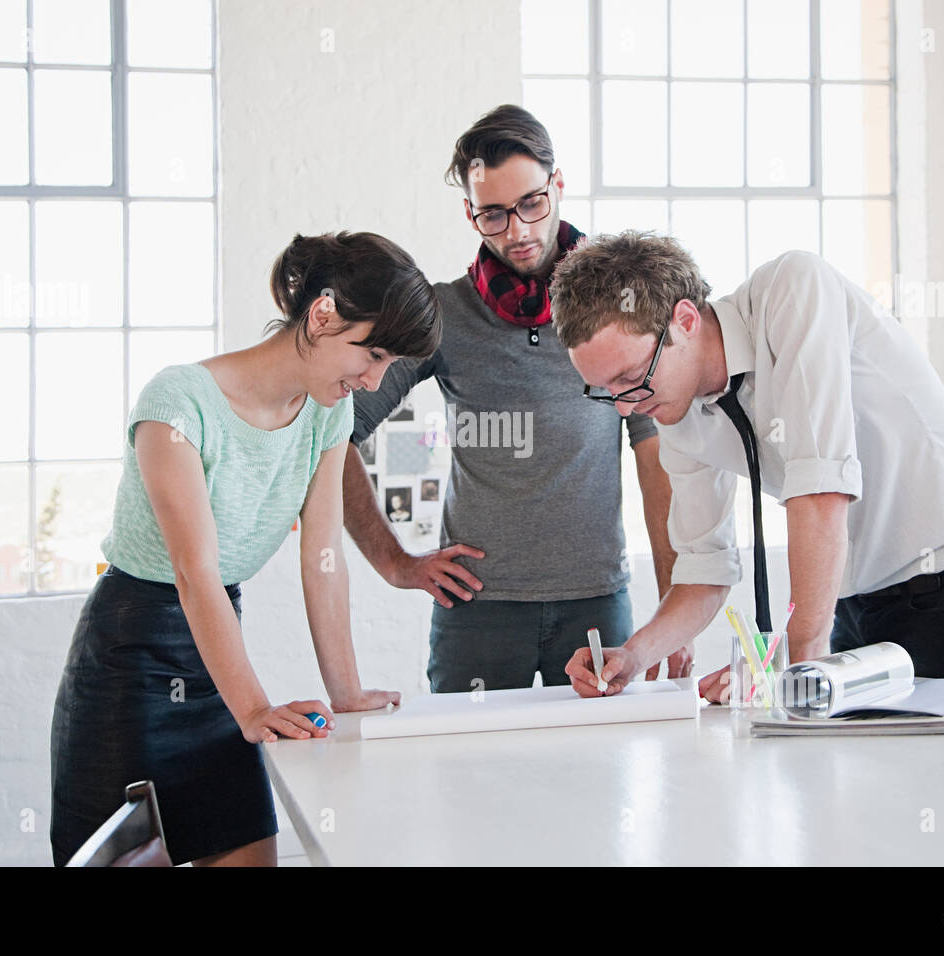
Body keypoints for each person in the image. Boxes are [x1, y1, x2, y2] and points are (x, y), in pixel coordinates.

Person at [50, 231, 441, 867]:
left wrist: (345, 693)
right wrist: (254, 708)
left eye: (387, 365)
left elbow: (323, 558)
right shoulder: (176, 402)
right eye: (369, 354)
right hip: (131, 665)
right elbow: (193, 570)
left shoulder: (325, 415)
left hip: (217, 658)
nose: (373, 381)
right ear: (322, 313)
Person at [551, 231, 944, 700]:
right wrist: (633, 656)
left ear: (685, 320)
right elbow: (704, 569)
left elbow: (820, 491)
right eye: (607, 391)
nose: (626, 409)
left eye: (631, 379)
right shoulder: (674, 406)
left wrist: (788, 676)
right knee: (862, 769)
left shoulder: (794, 290)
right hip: (847, 599)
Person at [342, 105, 689, 693]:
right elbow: (334, 433)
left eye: (532, 204)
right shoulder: (443, 313)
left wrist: (672, 613)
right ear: (470, 213)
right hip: (477, 611)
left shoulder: (618, 311)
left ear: (558, 184)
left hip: (596, 604)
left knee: (594, 778)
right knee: (472, 779)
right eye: (494, 215)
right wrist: (394, 563)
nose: (519, 232)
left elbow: (655, 462)